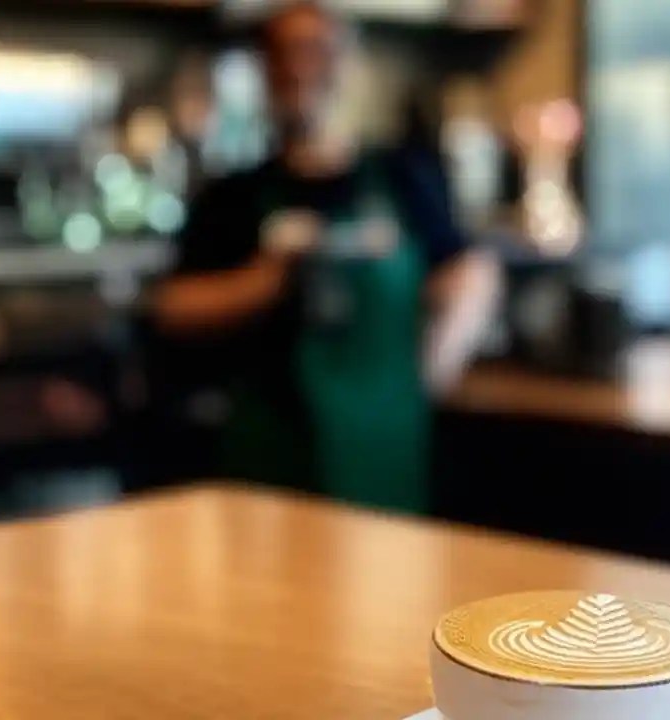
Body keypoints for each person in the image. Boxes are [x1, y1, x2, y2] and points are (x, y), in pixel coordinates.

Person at [155, 1, 499, 513]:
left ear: (346, 64)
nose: (297, 68)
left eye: (313, 50)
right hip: (271, 451)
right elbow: (172, 308)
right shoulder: (233, 195)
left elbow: (469, 269)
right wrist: (265, 278)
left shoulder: (403, 176)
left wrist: (433, 365)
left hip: (385, 443)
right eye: (280, 54)